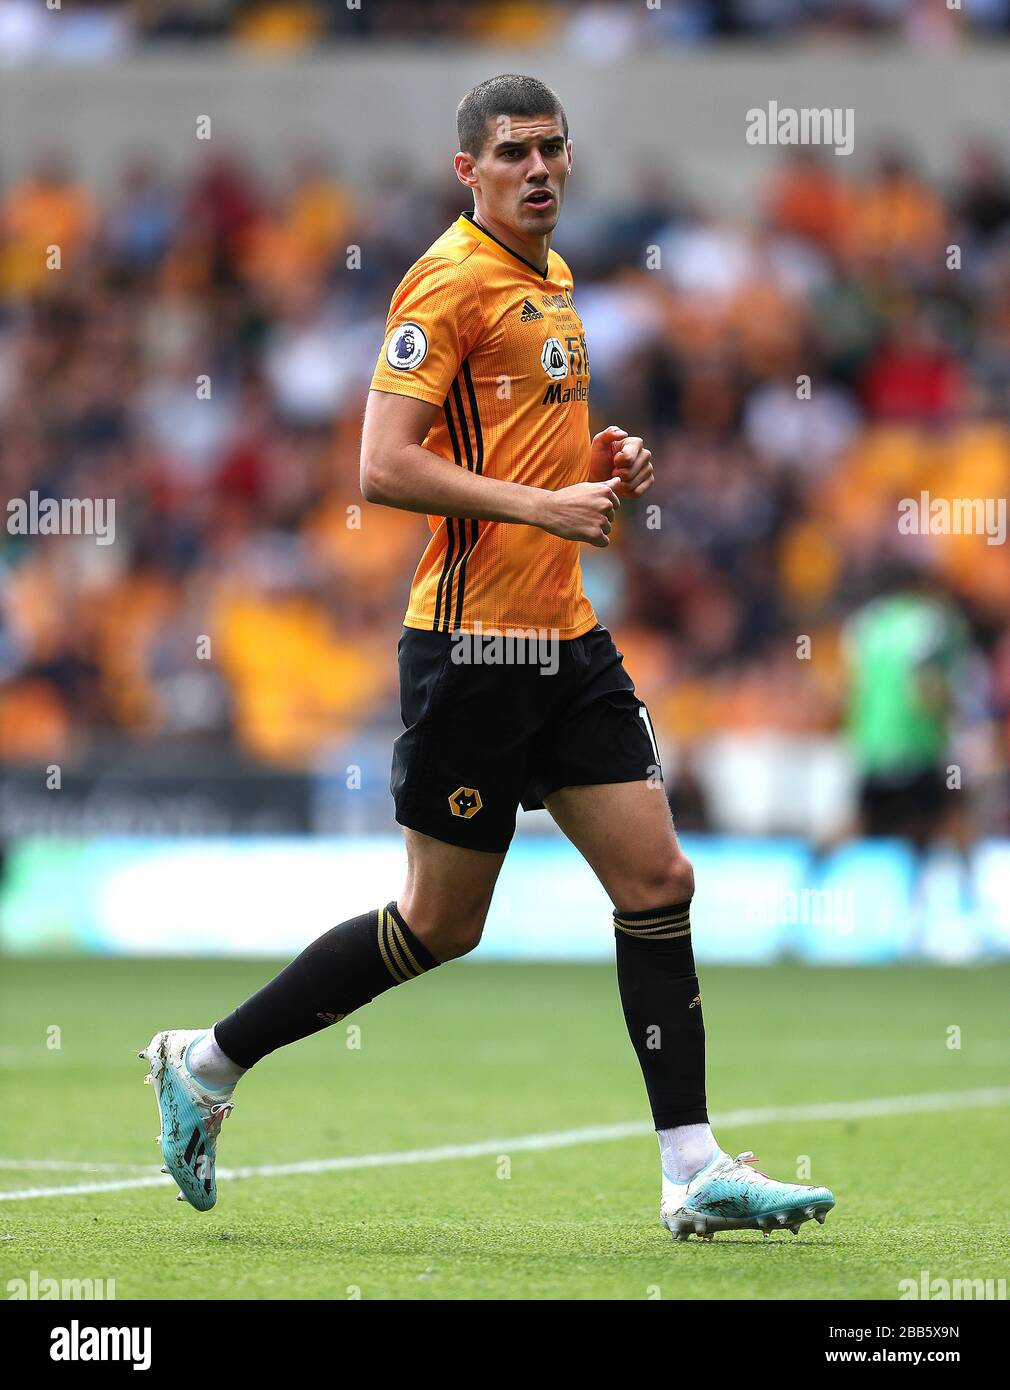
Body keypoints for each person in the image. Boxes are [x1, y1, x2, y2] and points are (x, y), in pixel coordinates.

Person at [141, 74, 835, 1241]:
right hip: (472, 644)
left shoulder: (554, 279)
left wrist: (604, 460)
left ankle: (691, 1165)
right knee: (437, 922)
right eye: (513, 153)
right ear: (468, 169)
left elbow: (523, 434)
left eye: (553, 150)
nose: (539, 170)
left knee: (658, 881)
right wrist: (541, 506)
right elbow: (381, 463)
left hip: (563, 638)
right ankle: (205, 1061)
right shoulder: (448, 278)